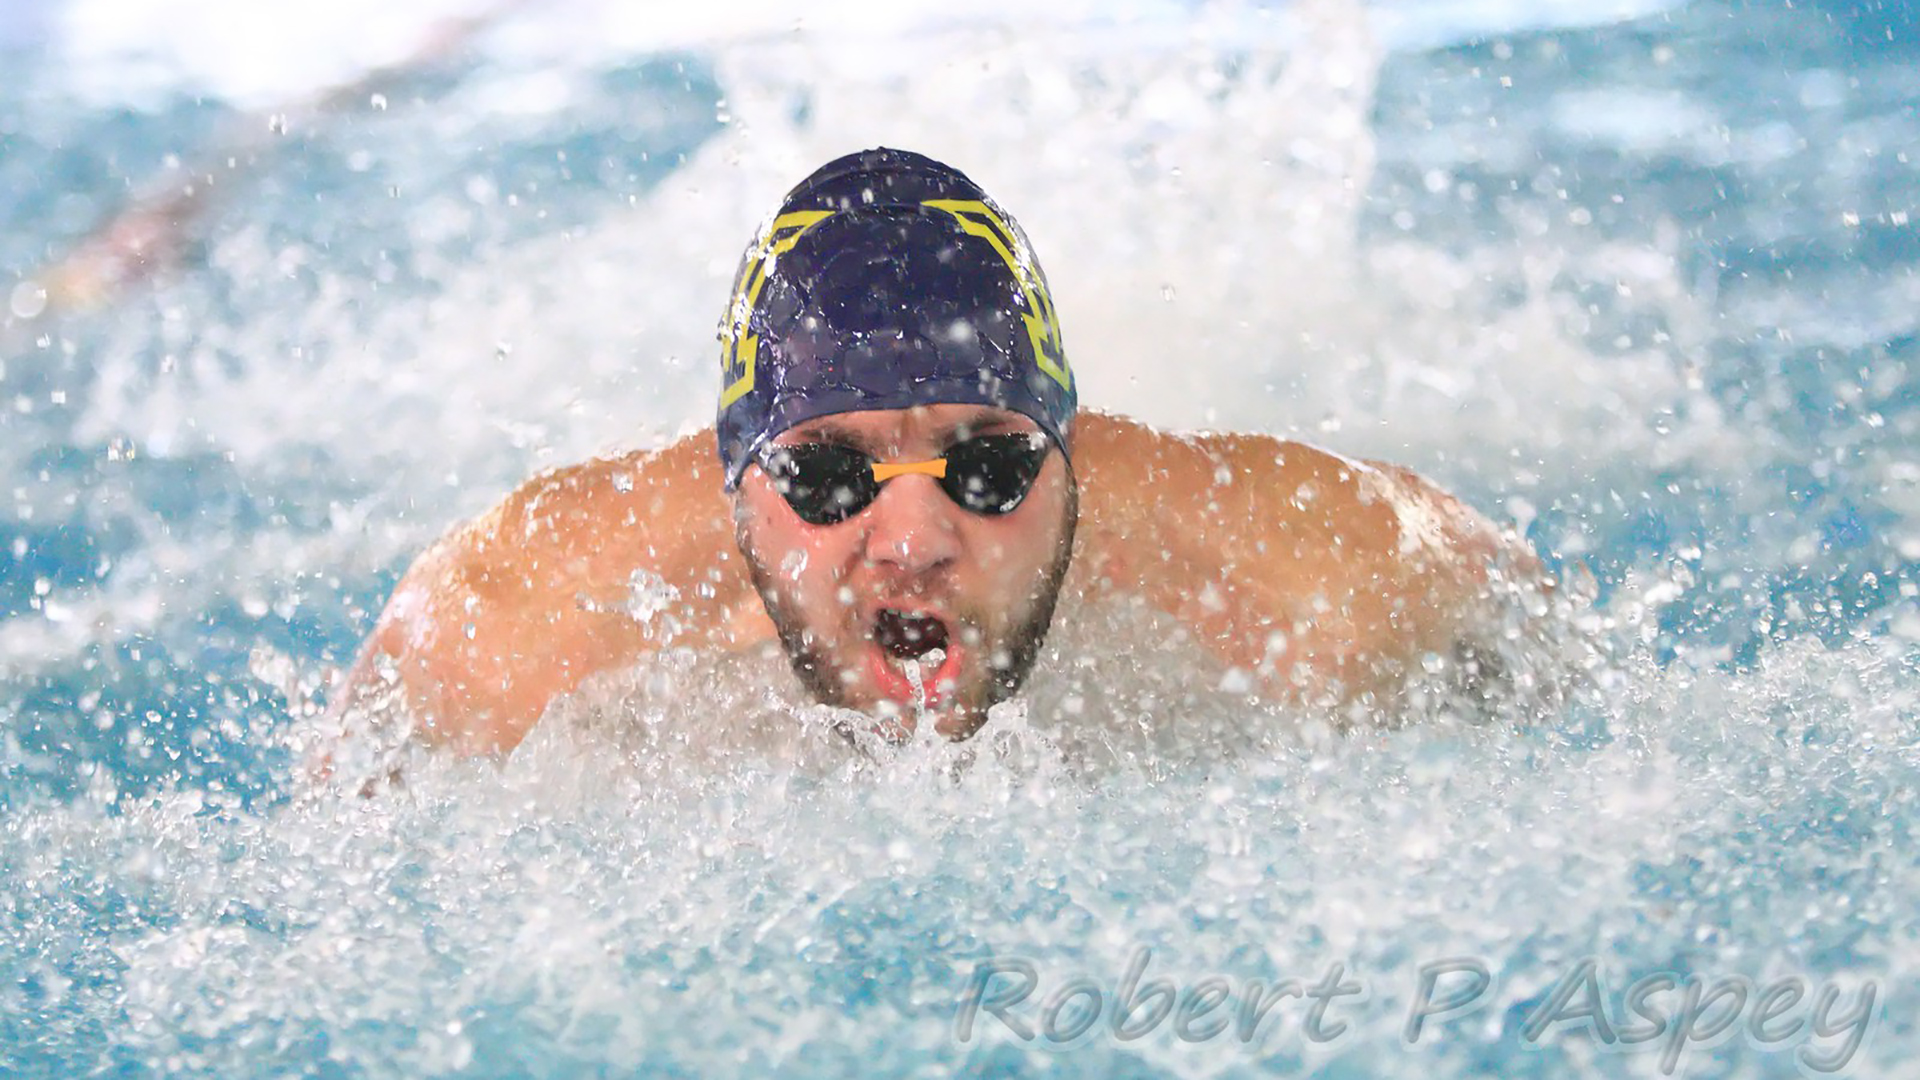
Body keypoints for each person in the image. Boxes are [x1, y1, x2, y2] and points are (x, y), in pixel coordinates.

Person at [326, 147, 1549, 760]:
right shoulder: (515, 620)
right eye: (827, 477)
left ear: (1071, 460)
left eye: (987, 468)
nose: (913, 541)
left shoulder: (1321, 573)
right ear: (739, 484)